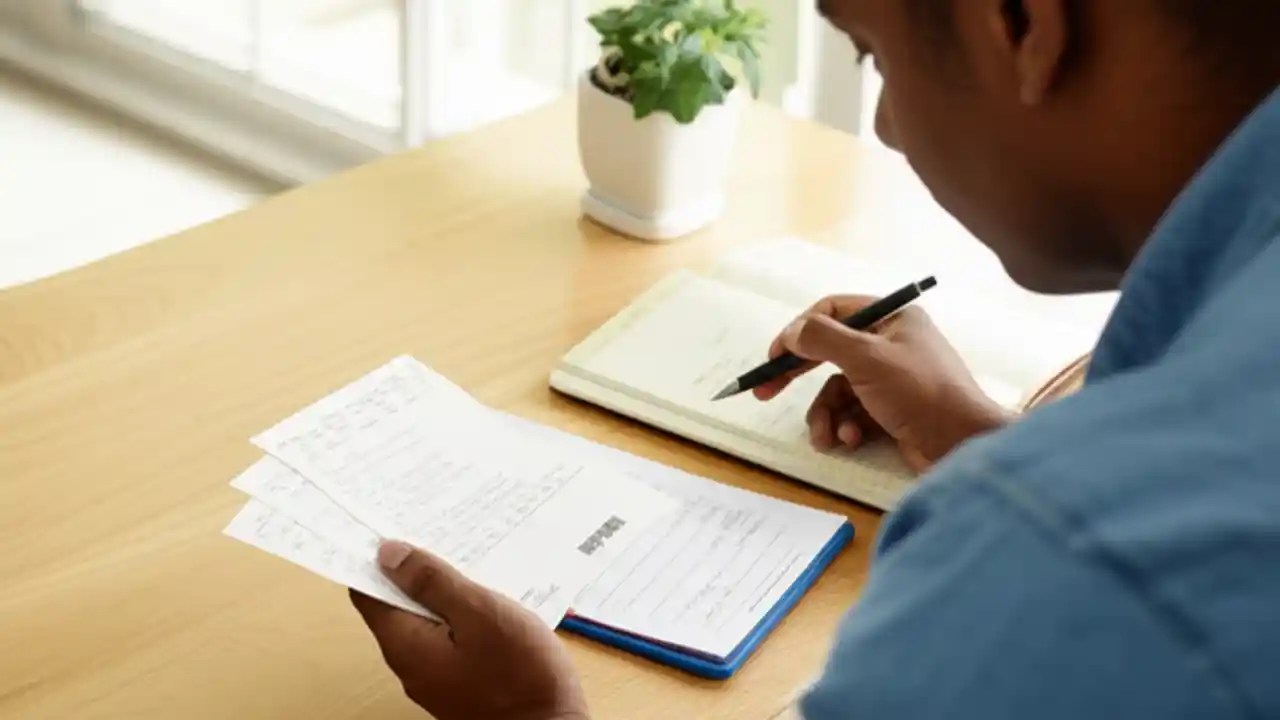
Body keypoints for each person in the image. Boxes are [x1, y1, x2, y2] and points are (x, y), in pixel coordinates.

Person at [349, 1, 1280, 717]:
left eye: (872, 52)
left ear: (1022, 20)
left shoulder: (1071, 570)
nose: (884, 126)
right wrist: (982, 444)